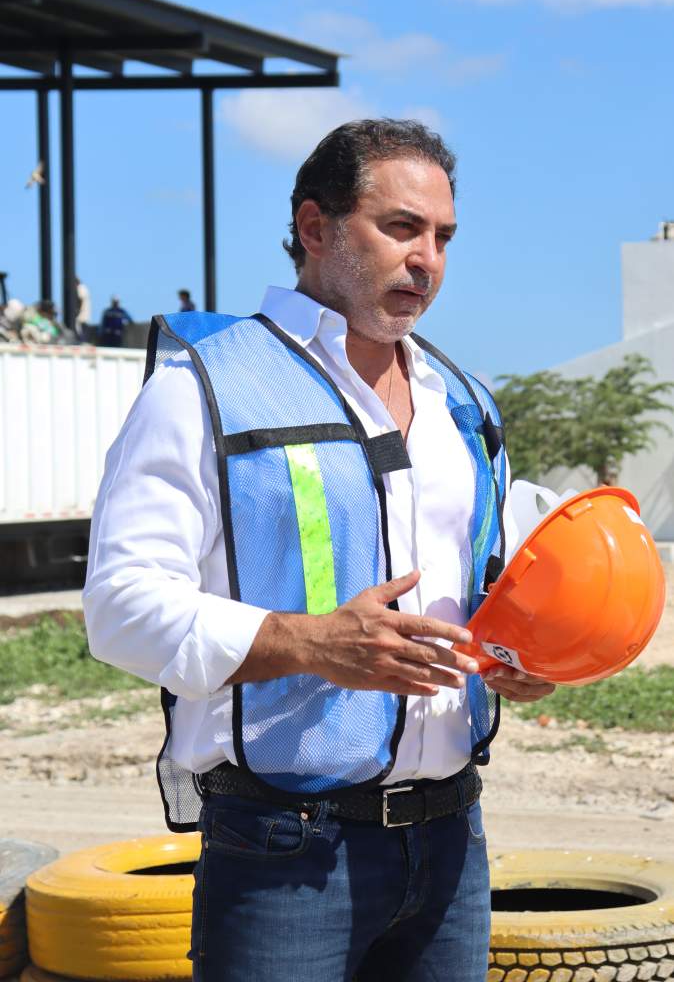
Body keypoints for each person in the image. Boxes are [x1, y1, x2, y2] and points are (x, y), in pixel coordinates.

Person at [84, 119, 554, 982]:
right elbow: (120, 609)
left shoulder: (464, 404)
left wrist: (519, 655)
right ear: (314, 227)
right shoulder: (203, 389)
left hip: (453, 842)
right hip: (286, 856)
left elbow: (486, 591)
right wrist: (312, 644)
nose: (428, 260)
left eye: (443, 237)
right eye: (401, 228)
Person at [76, 277, 92, 342]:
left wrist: (77, 310)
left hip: (81, 315)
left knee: (80, 332)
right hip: (85, 315)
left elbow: (81, 299)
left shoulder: (80, 288)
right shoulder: (85, 288)